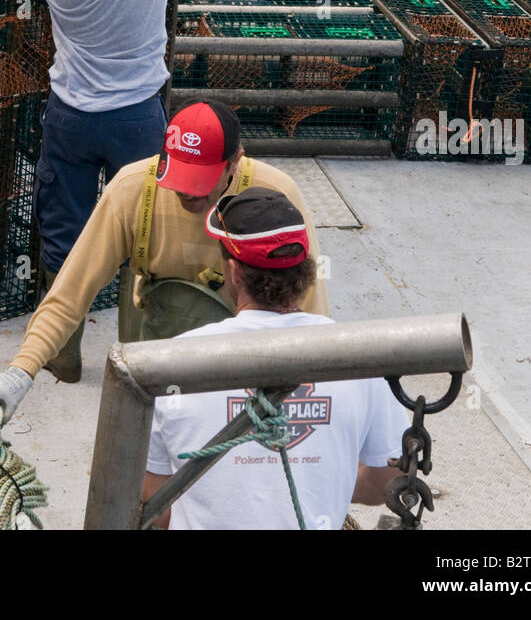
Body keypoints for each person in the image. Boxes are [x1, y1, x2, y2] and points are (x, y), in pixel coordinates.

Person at [0, 101, 330, 424]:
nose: (187, 193)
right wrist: (20, 372)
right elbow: (68, 295)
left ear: (235, 161)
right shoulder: (134, 189)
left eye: (199, 182)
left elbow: (307, 309)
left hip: (239, 360)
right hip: (153, 342)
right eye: (180, 177)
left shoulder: (273, 197)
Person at [7, 0, 179, 381]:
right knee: (147, 230)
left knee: (67, 231)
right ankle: (139, 355)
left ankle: (61, 352)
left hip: (73, 116)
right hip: (138, 118)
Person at [142, 187, 409, 531]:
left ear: (234, 271)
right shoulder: (358, 357)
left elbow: (158, 507)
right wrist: (326, 478)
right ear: (305, 270)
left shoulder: (169, 363)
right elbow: (387, 480)